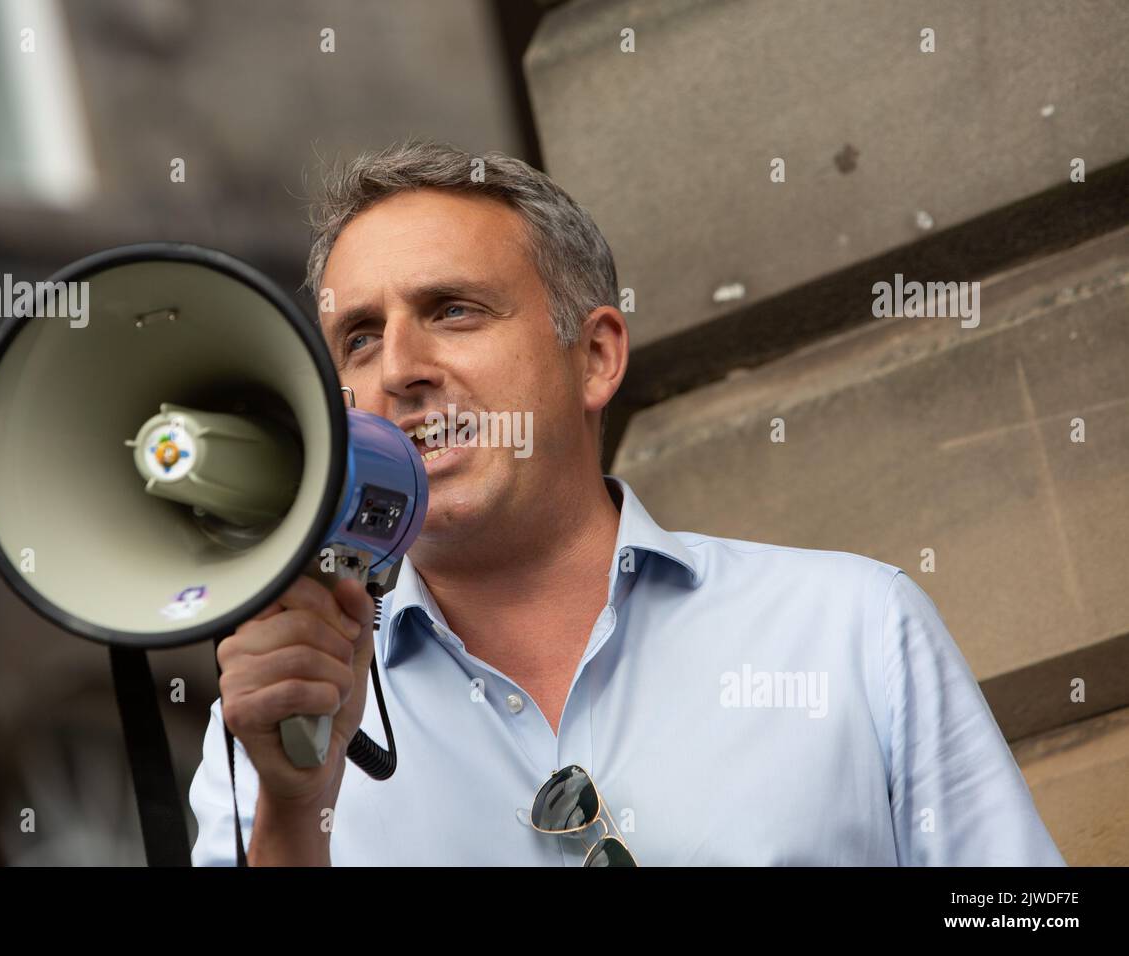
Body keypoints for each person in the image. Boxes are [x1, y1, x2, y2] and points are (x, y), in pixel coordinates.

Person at [189, 139, 1065, 866]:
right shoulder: (275, 722)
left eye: (453, 310)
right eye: (360, 337)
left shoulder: (851, 627)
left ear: (596, 357)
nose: (399, 368)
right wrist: (295, 816)